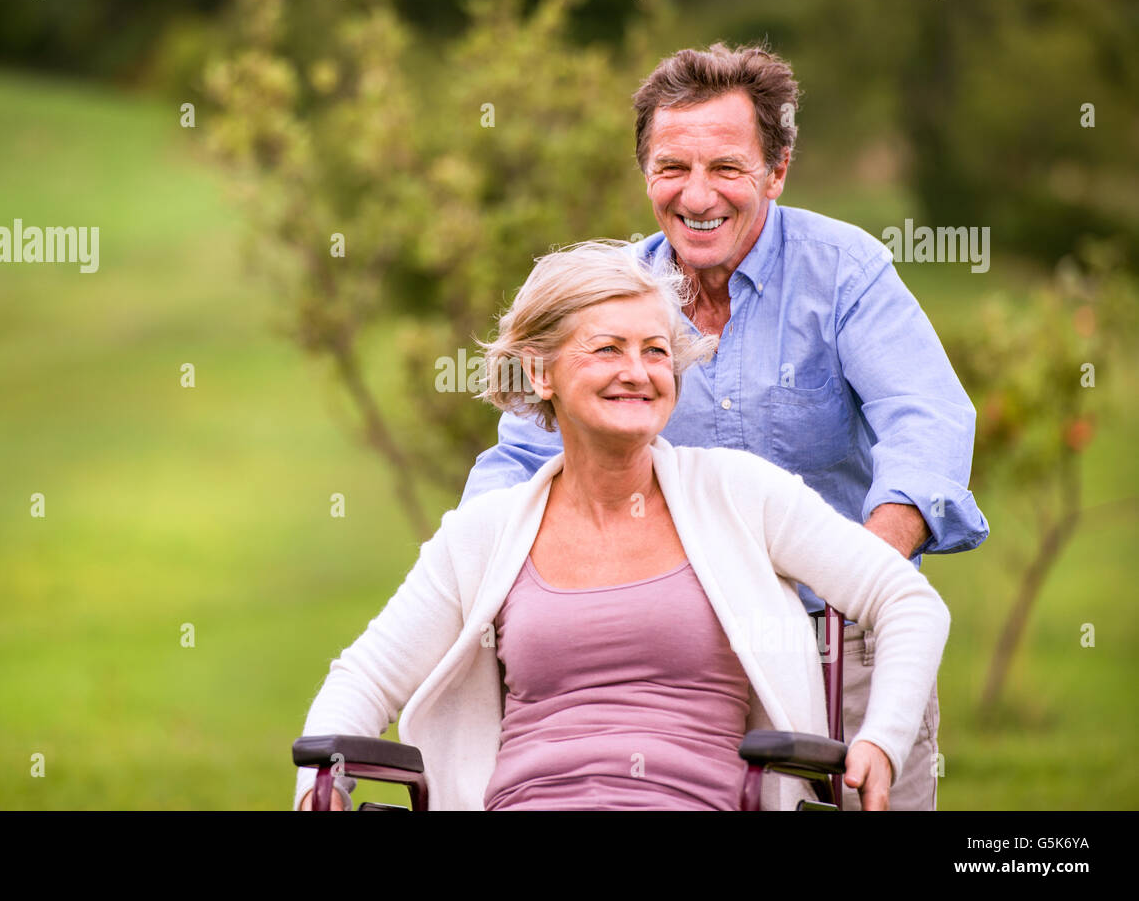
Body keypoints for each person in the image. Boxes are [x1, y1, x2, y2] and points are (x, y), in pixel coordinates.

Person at [460, 44, 988, 810]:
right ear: (645, 172)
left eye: (727, 168)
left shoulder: (846, 271)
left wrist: (866, 569)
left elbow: (927, 419)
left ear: (776, 172)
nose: (697, 195)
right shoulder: (615, 301)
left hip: (843, 639)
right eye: (672, 166)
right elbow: (521, 462)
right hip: (684, 658)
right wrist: (471, 577)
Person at [295, 241, 950, 811]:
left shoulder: (738, 492)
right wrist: (317, 785)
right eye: (607, 349)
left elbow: (908, 600)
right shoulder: (485, 532)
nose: (637, 372)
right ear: (538, 371)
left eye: (656, 351)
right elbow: (364, 677)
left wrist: (881, 740)